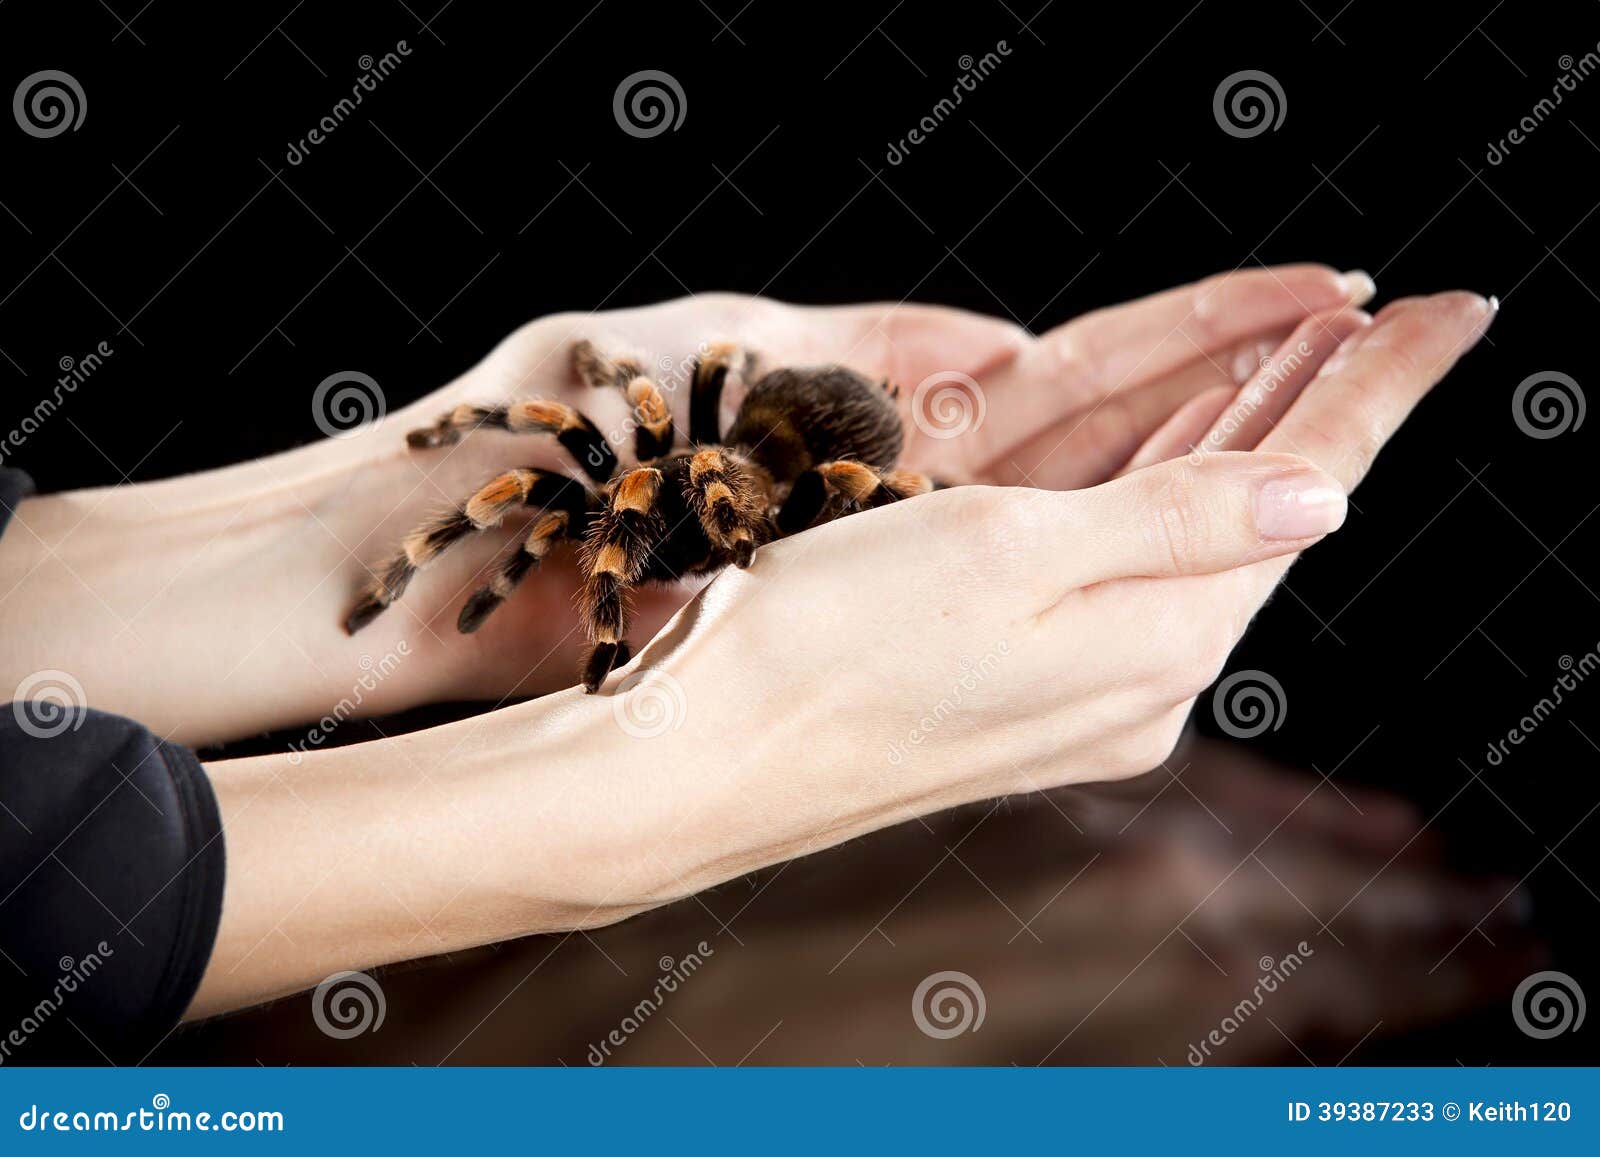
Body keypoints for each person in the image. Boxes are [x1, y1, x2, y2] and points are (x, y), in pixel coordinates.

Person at [0, 268, 1496, 1062]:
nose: (681, 527)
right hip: (714, 448)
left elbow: (898, 506)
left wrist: (956, 527)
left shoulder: (818, 487)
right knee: (522, 487)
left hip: (802, 441)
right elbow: (555, 447)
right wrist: (384, 546)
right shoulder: (642, 474)